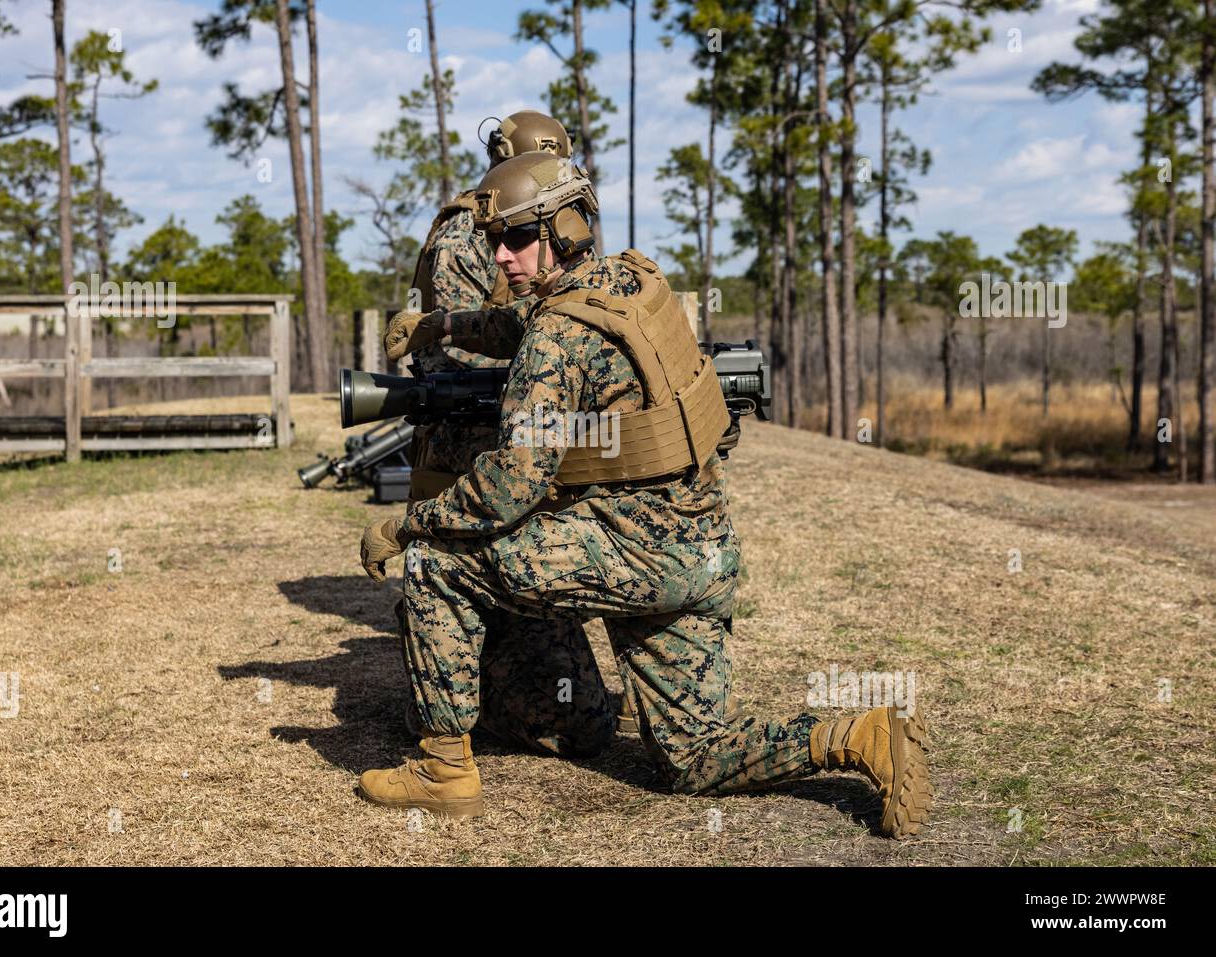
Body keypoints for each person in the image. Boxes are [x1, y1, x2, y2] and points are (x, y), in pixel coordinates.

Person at [358, 152, 933, 839]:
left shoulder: (555, 338)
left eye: (515, 239)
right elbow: (525, 321)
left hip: (632, 553)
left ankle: (443, 769)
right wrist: (439, 326)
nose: (501, 257)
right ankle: (859, 734)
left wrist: (411, 524)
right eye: (493, 242)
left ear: (563, 229)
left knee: (437, 563)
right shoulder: (631, 282)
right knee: (692, 756)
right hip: (702, 552)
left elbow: (511, 486)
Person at [384, 112, 615, 759]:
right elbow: (475, 364)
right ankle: (453, 708)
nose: (505, 255)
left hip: (524, 462)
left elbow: (539, 324)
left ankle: (529, 685)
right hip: (476, 458)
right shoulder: (472, 231)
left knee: (576, 707)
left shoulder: (549, 233)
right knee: (444, 574)